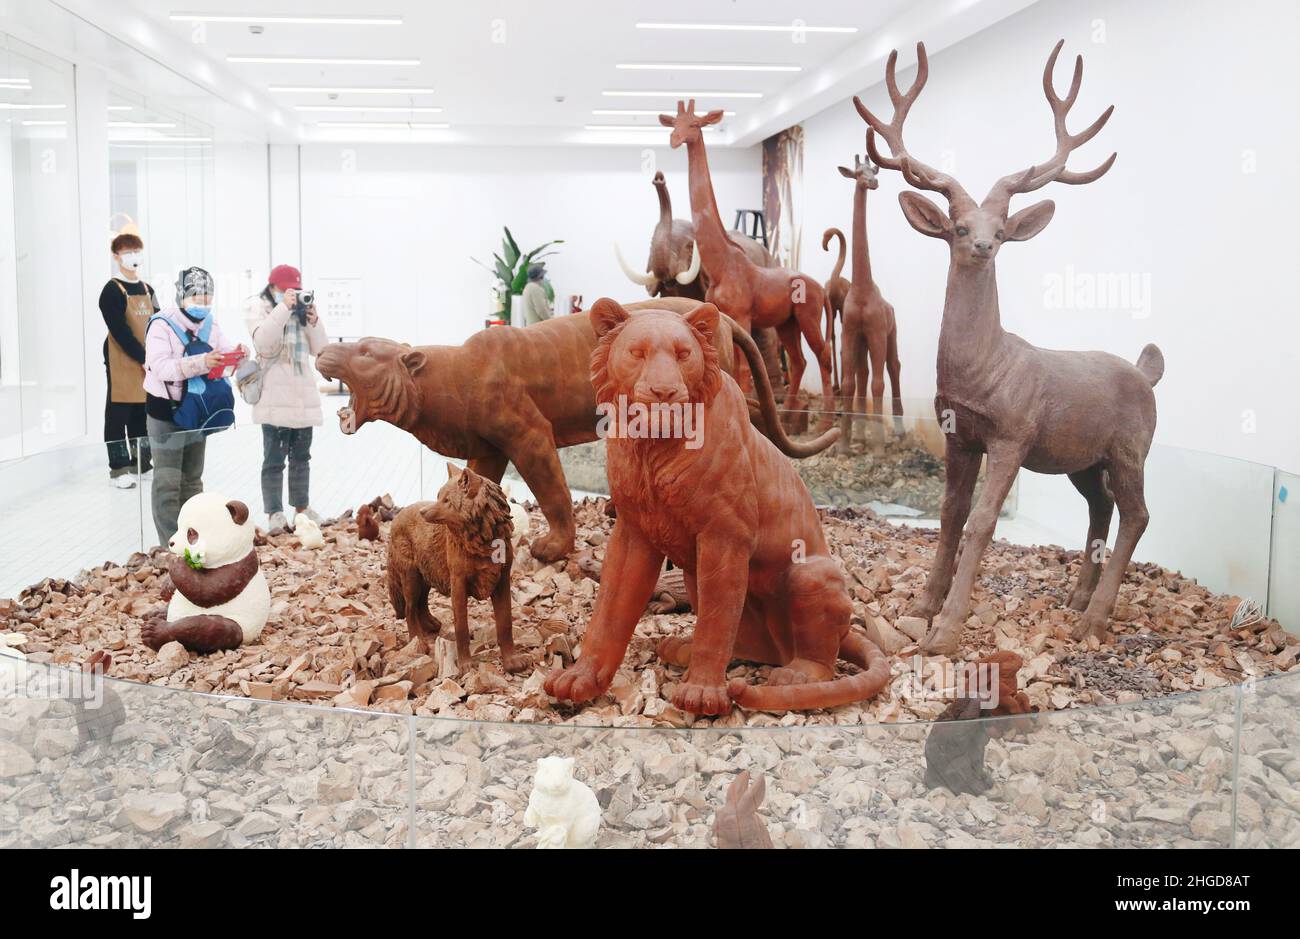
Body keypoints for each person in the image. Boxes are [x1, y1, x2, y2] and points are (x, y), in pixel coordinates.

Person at [144, 267, 243, 545]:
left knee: (192, 481)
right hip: (165, 413)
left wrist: (237, 355)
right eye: (196, 297)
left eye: (207, 296)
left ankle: (193, 539)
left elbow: (221, 355)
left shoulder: (210, 323)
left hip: (198, 413)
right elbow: (160, 367)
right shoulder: (161, 324)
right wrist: (202, 363)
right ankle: (169, 545)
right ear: (181, 296)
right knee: (167, 483)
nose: (202, 303)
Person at [245, 264, 328, 532]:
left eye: (296, 291)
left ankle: (302, 508)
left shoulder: (302, 312)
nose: (293, 295)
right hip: (273, 394)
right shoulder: (259, 307)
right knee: (273, 459)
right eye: (287, 290)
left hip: (302, 394)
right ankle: (274, 513)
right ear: (273, 288)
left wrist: (315, 322)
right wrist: (283, 307)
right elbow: (263, 343)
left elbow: (322, 351)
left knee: (302, 457)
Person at [100, 232, 157, 488]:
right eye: (127, 252)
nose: (133, 257)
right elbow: (120, 331)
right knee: (118, 414)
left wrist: (156, 355)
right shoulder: (112, 290)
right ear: (116, 256)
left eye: (137, 251)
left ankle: (143, 464)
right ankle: (118, 469)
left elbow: (158, 323)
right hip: (122, 358)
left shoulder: (148, 289)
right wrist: (143, 356)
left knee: (142, 413)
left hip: (147, 359)